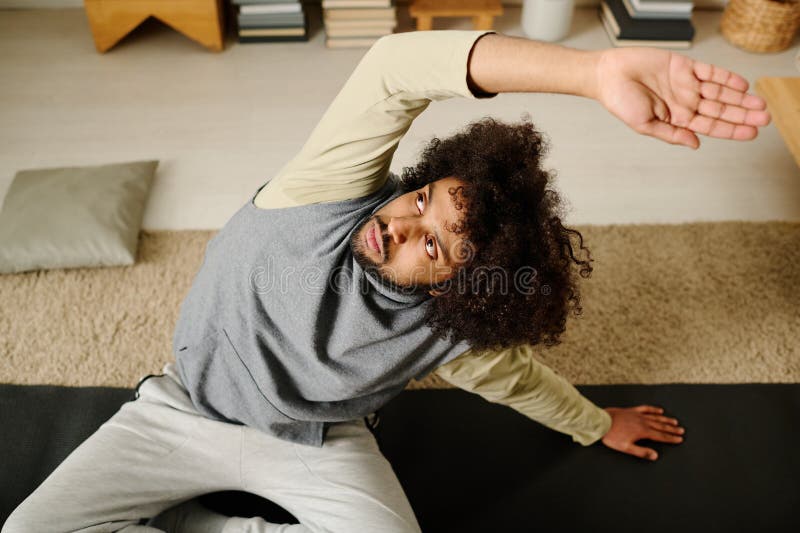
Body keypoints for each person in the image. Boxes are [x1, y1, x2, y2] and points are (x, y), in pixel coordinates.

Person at [4, 30, 770, 533]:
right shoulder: (326, 193)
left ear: (455, 290)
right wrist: (593, 71)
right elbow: (392, 71)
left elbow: (516, 380)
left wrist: (596, 423)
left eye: (432, 249)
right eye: (423, 198)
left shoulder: (446, 330)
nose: (402, 226)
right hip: (182, 409)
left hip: (315, 440)